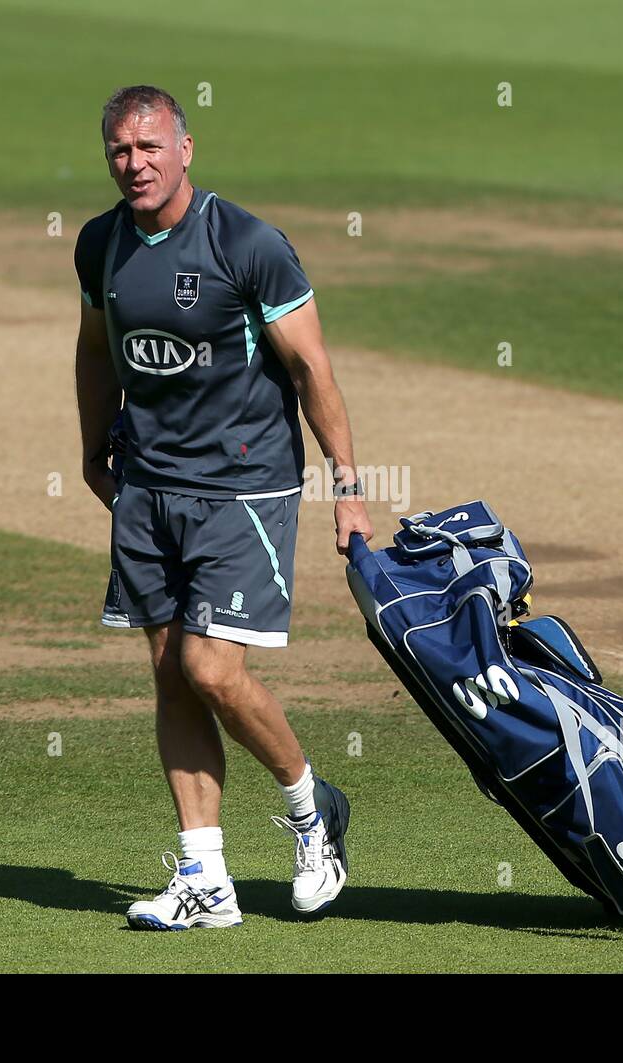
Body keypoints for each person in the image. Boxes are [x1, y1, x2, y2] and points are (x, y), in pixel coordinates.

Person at [72, 85, 373, 929]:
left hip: (242, 492)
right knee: (171, 676)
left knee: (213, 671)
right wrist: (92, 447)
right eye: (120, 152)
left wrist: (349, 491)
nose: (134, 165)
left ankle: (315, 812)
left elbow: (313, 370)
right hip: (148, 487)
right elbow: (97, 350)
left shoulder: (247, 243)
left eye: (149, 148)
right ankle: (207, 879)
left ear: (185, 148)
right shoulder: (101, 244)